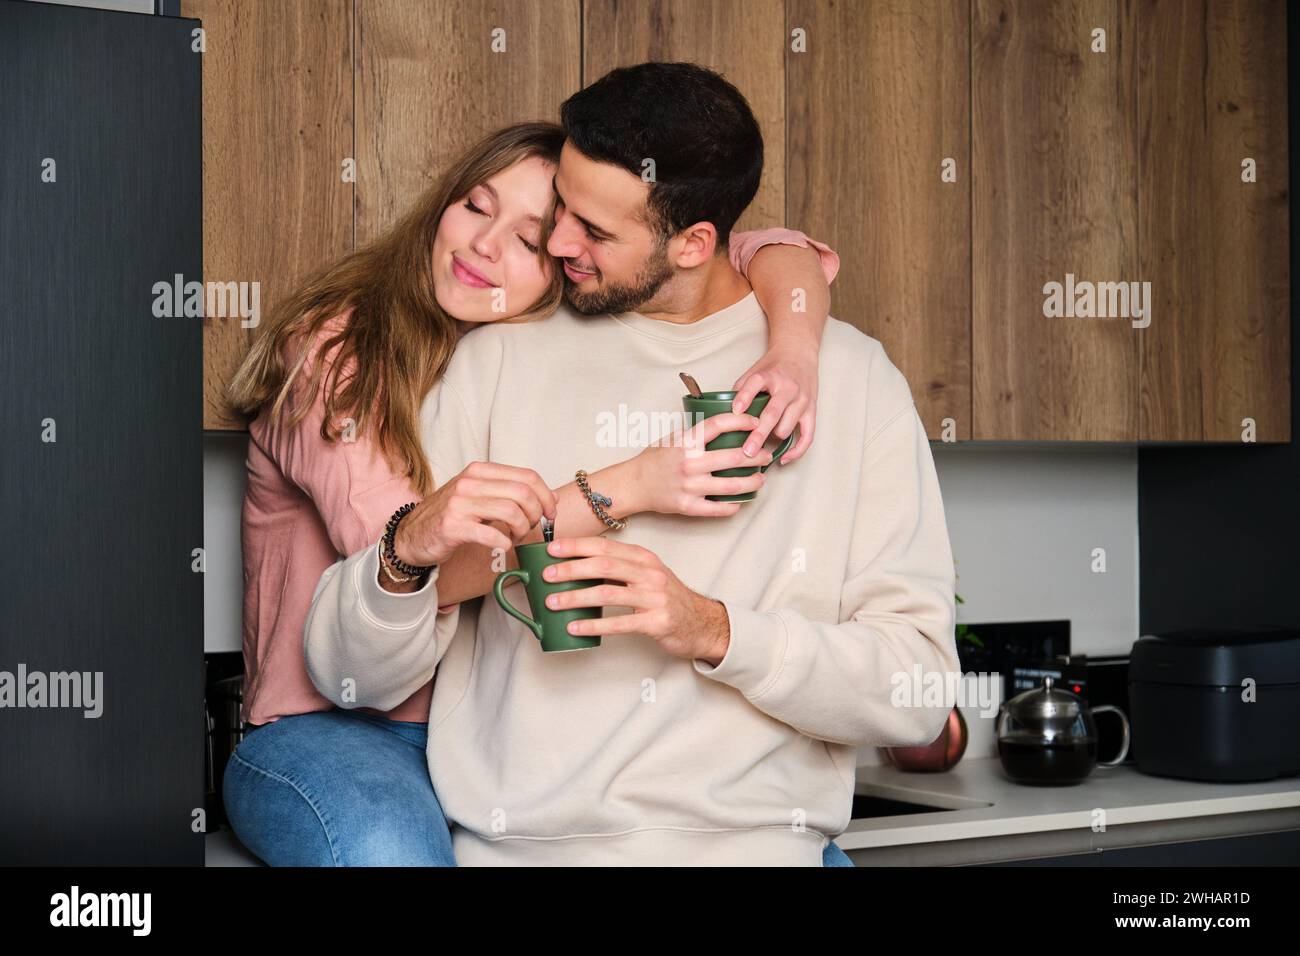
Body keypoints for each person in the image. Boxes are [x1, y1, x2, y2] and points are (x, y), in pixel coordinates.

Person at [304, 63, 960, 866]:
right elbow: (349, 672)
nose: (557, 244)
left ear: (694, 243)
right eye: (563, 209)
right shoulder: (496, 359)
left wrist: (714, 631)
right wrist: (407, 551)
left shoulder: (849, 380)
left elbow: (918, 694)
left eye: (596, 232)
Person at [222, 119, 841, 866]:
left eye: (527, 238)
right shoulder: (336, 350)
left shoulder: (515, 358)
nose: (485, 246)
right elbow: (403, 564)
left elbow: (765, 246)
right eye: (476, 207)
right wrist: (630, 486)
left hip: (473, 741)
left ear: (569, 265)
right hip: (328, 732)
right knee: (392, 852)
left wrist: (795, 347)